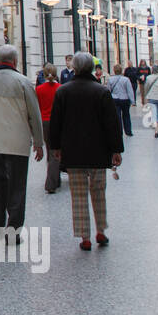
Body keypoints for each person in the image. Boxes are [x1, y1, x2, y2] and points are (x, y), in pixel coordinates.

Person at [49, 52, 123, 251]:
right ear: (91, 68)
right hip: (98, 152)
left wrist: (55, 147)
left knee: (79, 194)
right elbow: (112, 124)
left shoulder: (63, 91)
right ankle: (101, 230)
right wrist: (116, 149)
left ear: (74, 68)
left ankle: (85, 237)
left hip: (73, 152)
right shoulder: (101, 92)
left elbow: (56, 122)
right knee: (99, 191)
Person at [0, 44, 45, 240]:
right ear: (15, 61)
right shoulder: (23, 82)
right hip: (18, 144)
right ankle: (13, 232)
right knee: (18, 186)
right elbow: (34, 115)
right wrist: (39, 142)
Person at [35, 63, 62, 193]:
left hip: (44, 122)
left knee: (50, 149)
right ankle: (51, 183)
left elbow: (37, 108)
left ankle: (55, 178)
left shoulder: (39, 89)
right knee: (56, 151)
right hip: (57, 122)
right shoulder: (60, 88)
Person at [108, 64, 136, 137]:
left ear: (114, 71)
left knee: (117, 116)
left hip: (115, 99)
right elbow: (130, 91)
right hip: (125, 99)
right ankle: (128, 131)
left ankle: (119, 131)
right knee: (126, 115)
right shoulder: (126, 79)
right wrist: (132, 101)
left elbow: (108, 90)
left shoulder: (111, 79)